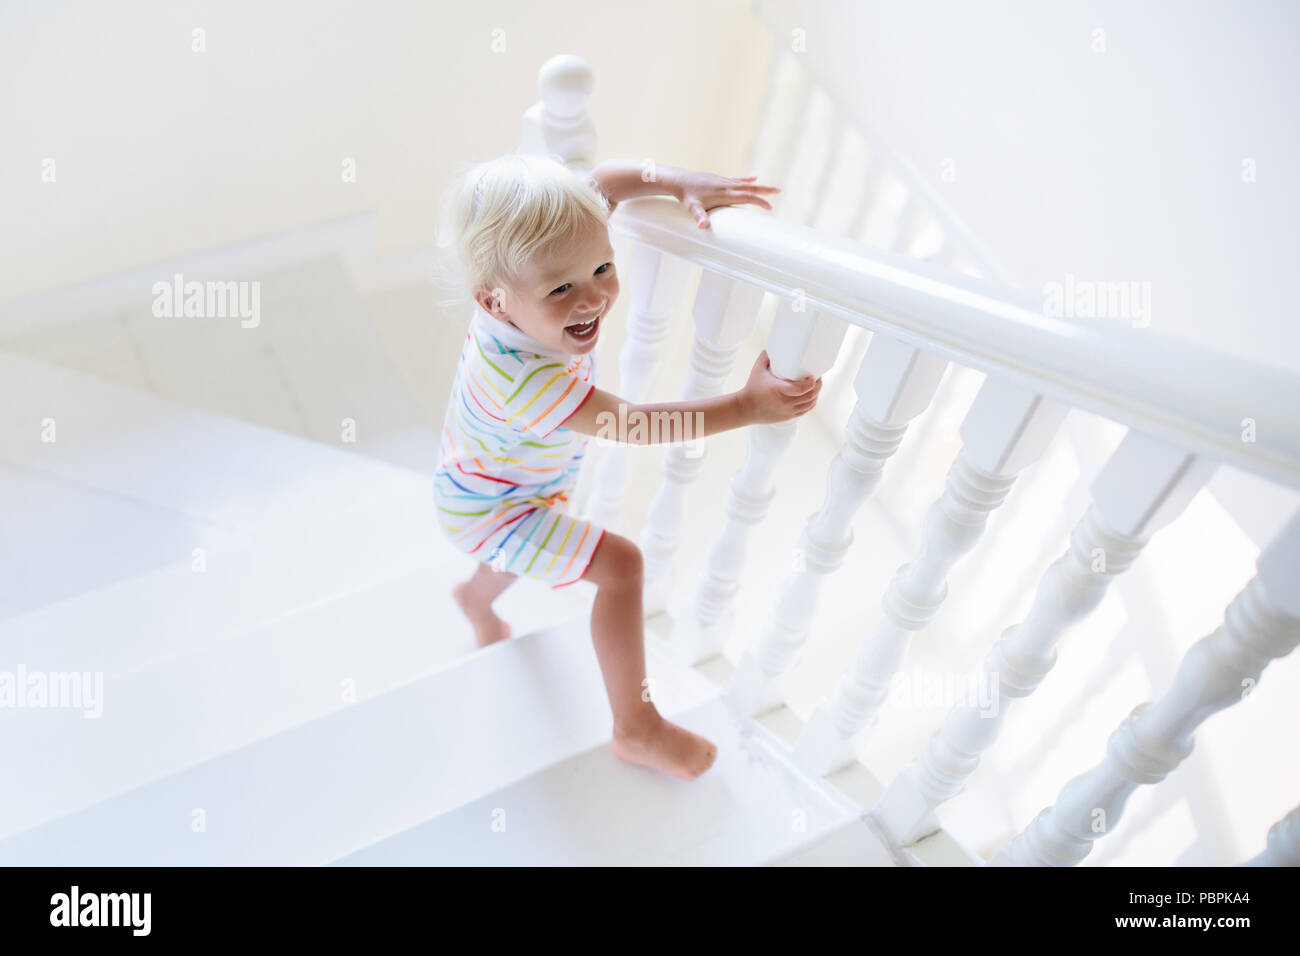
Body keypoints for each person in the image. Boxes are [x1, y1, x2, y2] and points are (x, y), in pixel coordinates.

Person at [433, 154, 819, 780]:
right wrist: (747, 406)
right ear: (494, 302)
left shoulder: (517, 281)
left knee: (514, 559)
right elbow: (634, 425)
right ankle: (635, 726)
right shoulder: (526, 380)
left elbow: (605, 182)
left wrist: (677, 181)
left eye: (603, 268)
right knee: (621, 568)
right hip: (493, 510)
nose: (592, 297)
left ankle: (473, 599)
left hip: (483, 484)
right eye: (561, 289)